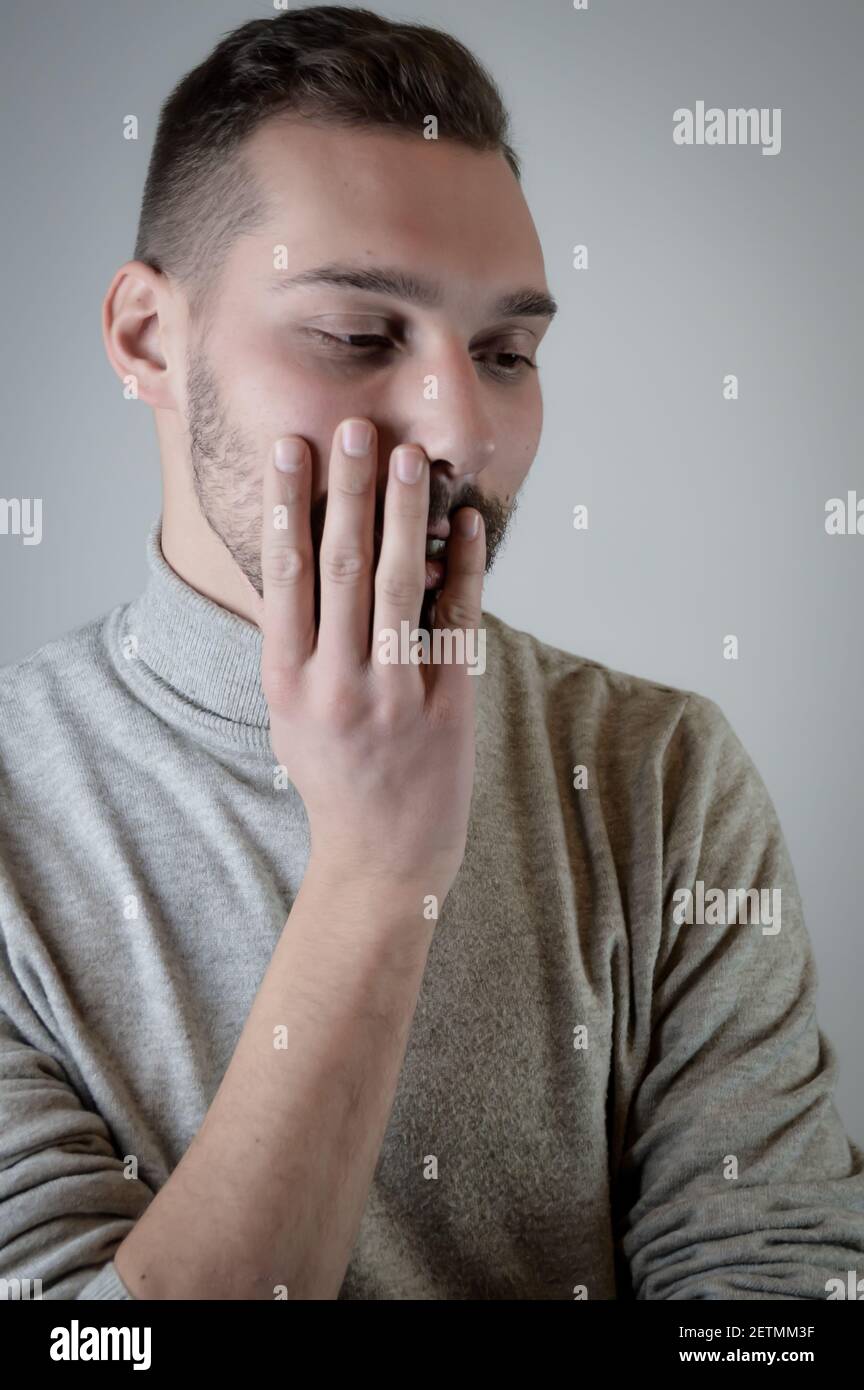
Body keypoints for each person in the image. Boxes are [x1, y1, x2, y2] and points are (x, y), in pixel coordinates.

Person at [1, 5, 862, 1302]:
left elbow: (773, 1307)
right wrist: (378, 865)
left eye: (506, 353)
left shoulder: (665, 775)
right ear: (145, 339)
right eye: (358, 336)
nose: (459, 430)